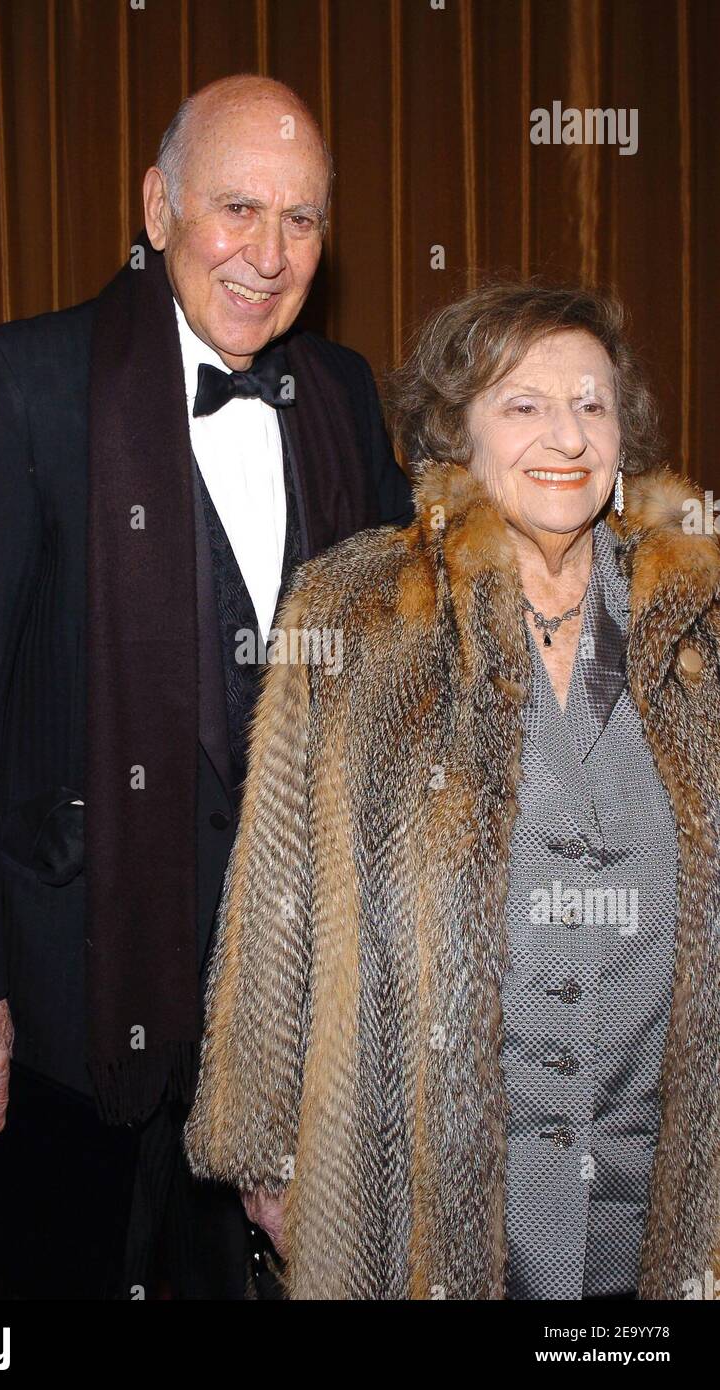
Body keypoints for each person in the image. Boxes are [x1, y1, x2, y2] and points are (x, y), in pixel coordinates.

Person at [0, 73, 411, 1299]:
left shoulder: (338, 395)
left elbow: (401, 652)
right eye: (239, 208)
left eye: (302, 220)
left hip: (274, 997)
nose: (270, 255)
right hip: (71, 989)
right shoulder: (13, 386)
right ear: (157, 204)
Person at [184, 281, 720, 1299]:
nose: (565, 434)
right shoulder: (356, 614)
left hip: (661, 1199)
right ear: (455, 435)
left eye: (591, 405)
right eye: (523, 405)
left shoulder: (704, 619)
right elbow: (275, 895)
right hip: (424, 1192)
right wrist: (265, 1145)